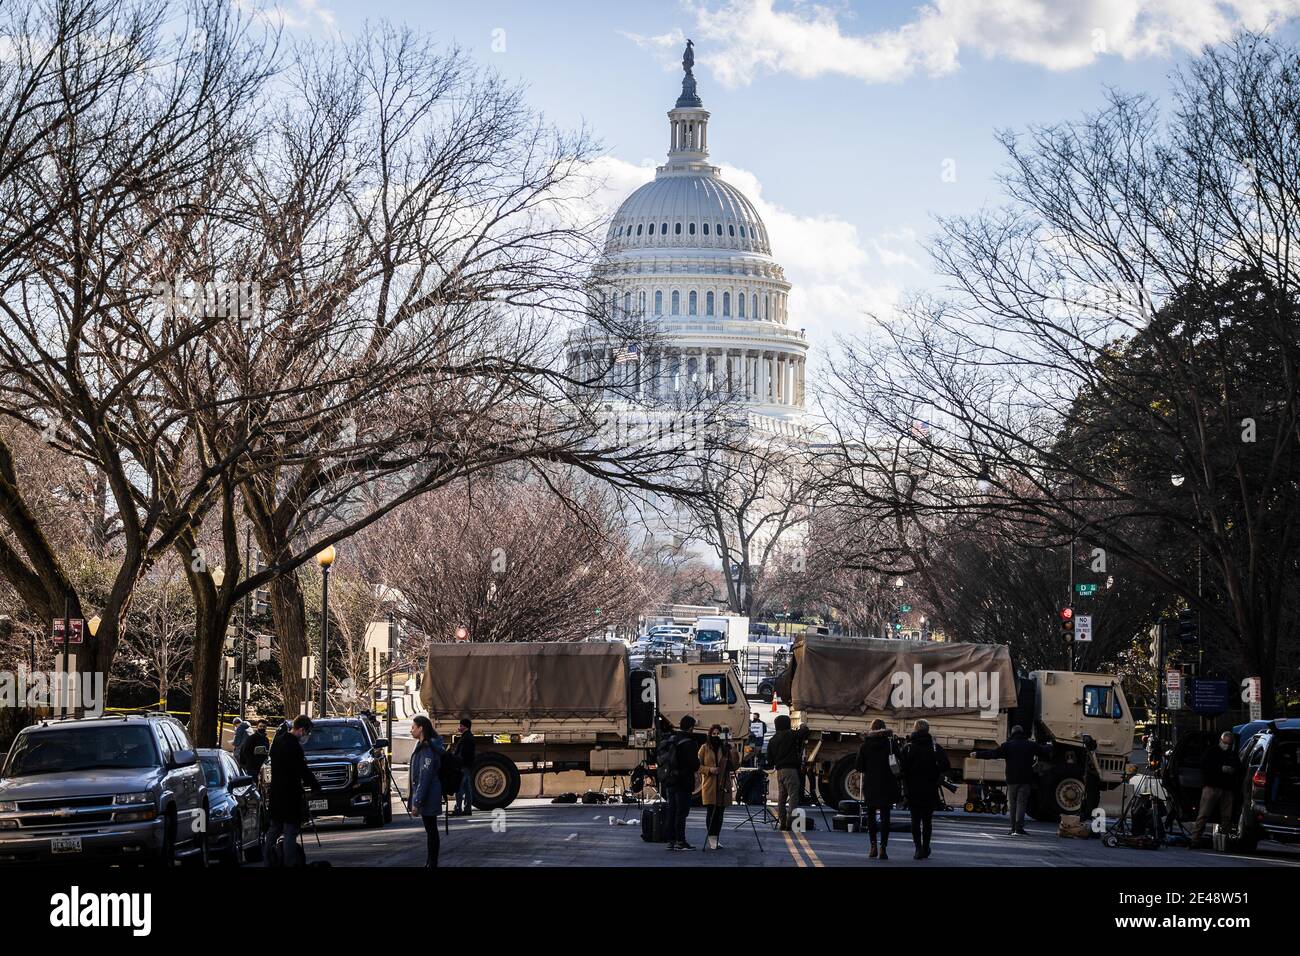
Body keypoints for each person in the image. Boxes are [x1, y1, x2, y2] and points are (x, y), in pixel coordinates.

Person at [971, 725, 1053, 835]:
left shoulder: (1007, 746)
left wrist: (977, 754)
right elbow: (1044, 750)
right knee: (1021, 803)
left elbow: (993, 754)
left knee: (1013, 804)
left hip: (1011, 780)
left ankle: (1013, 828)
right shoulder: (1030, 745)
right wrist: (1051, 745)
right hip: (1025, 779)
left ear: (1012, 734)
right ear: (1022, 733)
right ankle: (1019, 828)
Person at [264, 715, 320, 866]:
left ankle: (268, 860)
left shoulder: (277, 742)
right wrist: (314, 785)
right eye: (307, 733)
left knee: (274, 829)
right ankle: (290, 862)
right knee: (290, 831)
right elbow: (302, 769)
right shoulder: (294, 747)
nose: (306, 736)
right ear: (301, 730)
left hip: (276, 793)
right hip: (290, 795)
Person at [900, 718, 950, 860]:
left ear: (915, 730)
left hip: (913, 790)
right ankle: (926, 846)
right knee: (927, 821)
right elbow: (946, 767)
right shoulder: (935, 748)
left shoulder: (908, 747)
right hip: (930, 789)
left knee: (915, 821)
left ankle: (918, 848)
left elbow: (901, 769)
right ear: (928, 730)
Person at [854, 718, 900, 859]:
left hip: (871, 784)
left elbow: (859, 766)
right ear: (884, 728)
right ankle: (883, 848)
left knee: (871, 815)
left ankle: (872, 845)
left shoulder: (865, 745)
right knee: (886, 815)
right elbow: (899, 762)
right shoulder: (891, 744)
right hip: (887, 783)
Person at [1189, 731, 1242, 847]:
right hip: (1211, 786)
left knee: (1226, 816)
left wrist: (1232, 770)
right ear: (1220, 741)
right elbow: (1204, 766)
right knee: (1203, 814)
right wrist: (1220, 768)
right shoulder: (1212, 752)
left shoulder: (1232, 754)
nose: (1227, 745)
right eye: (1225, 742)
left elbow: (1238, 769)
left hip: (1227, 788)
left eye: (1229, 743)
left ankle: (1224, 840)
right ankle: (1195, 838)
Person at [409, 714, 447, 867]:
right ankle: (431, 861)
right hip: (430, 793)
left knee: (431, 830)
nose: (410, 730)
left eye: (413, 727)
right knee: (431, 830)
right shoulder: (426, 745)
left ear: (421, 728)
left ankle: (432, 862)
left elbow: (424, 776)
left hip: (429, 794)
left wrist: (417, 802)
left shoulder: (427, 748)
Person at [659, 715, 700, 850]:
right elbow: (694, 765)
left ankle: (670, 840)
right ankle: (680, 841)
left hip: (670, 780)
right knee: (682, 812)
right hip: (684, 781)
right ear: (691, 727)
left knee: (672, 810)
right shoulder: (689, 742)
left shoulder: (671, 739)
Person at [766, 714, 811, 831]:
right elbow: (803, 733)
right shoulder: (790, 734)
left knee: (782, 797)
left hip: (779, 771)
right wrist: (803, 727)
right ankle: (791, 821)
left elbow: (769, 760)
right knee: (793, 796)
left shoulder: (772, 740)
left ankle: (782, 821)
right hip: (790, 769)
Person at [697, 724, 738, 851]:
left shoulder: (725, 748)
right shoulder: (704, 748)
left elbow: (734, 766)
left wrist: (732, 749)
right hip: (709, 785)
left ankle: (716, 838)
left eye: (717, 734)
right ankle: (711, 838)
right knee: (711, 813)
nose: (715, 736)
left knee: (720, 814)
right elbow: (698, 766)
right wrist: (709, 770)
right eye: (713, 733)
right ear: (710, 734)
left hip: (723, 784)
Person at [452, 717, 476, 816]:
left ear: (465, 727)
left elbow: (462, 753)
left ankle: (458, 808)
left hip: (463, 766)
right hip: (468, 766)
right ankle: (467, 808)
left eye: (461, 726)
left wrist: (457, 761)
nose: (459, 728)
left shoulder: (466, 738)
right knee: (467, 788)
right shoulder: (469, 737)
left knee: (459, 788)